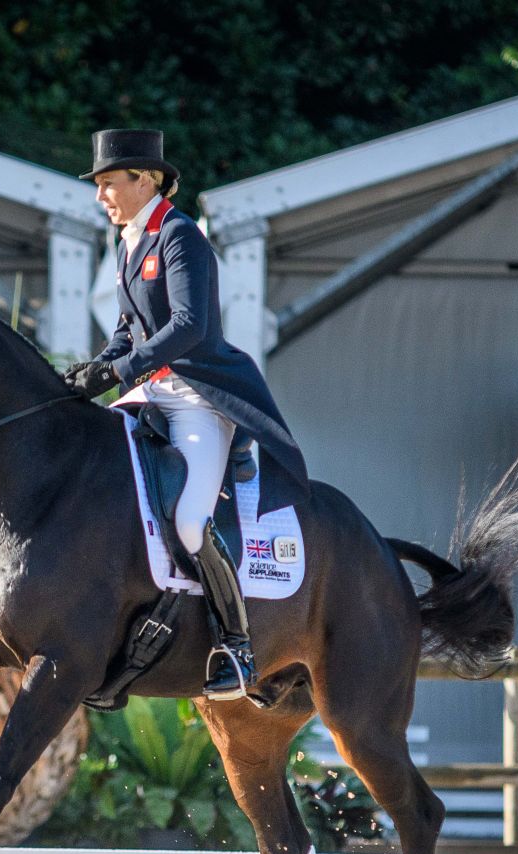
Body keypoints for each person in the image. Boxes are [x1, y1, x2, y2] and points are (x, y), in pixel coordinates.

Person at [61, 129, 309, 700]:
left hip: (197, 395)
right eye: (98, 185)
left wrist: (120, 371)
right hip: (149, 394)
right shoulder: (127, 241)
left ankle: (236, 645)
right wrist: (93, 370)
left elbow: (190, 327)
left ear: (144, 179)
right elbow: (129, 332)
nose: (100, 196)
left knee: (190, 521)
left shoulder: (180, 237)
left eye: (107, 184)